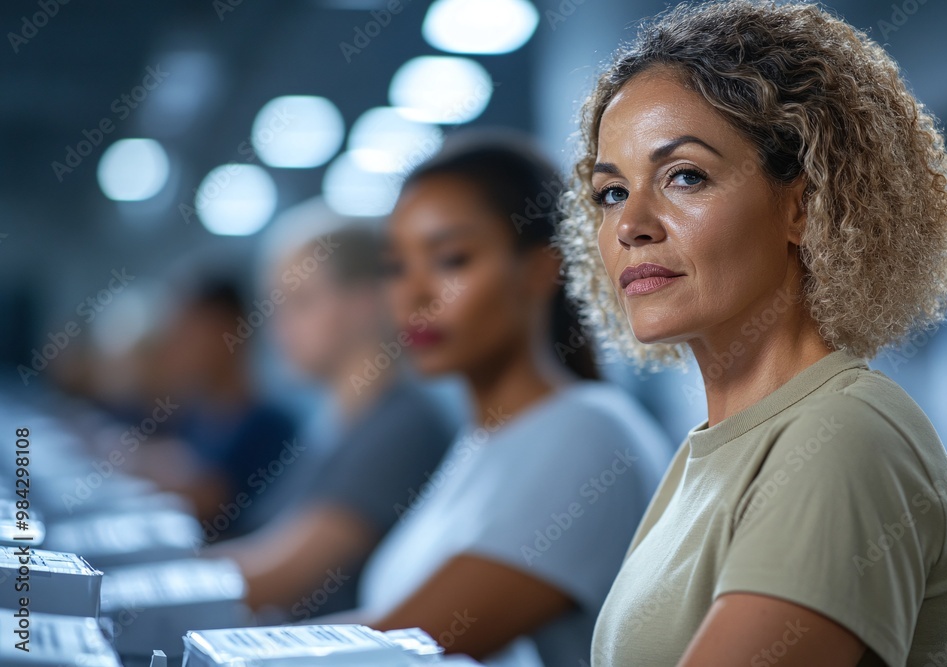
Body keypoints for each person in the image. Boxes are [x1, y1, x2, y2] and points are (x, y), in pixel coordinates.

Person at [556, 2, 947, 665]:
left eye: (684, 176)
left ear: (803, 206)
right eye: (611, 192)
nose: (630, 223)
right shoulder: (712, 449)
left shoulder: (842, 436)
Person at [334, 134, 672, 666]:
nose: (413, 295)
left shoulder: (587, 435)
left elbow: (399, 648)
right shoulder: (481, 439)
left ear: (540, 268)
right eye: (395, 267)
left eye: (451, 259)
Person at [209, 225, 455, 618]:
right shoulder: (335, 421)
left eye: (300, 302)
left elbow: (280, 576)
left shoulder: (402, 426)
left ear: (364, 303)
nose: (279, 328)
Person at [135, 278, 297, 540]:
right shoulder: (196, 414)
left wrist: (135, 465)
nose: (177, 348)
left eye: (190, 334)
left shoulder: (270, 425)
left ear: (230, 333)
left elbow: (207, 501)